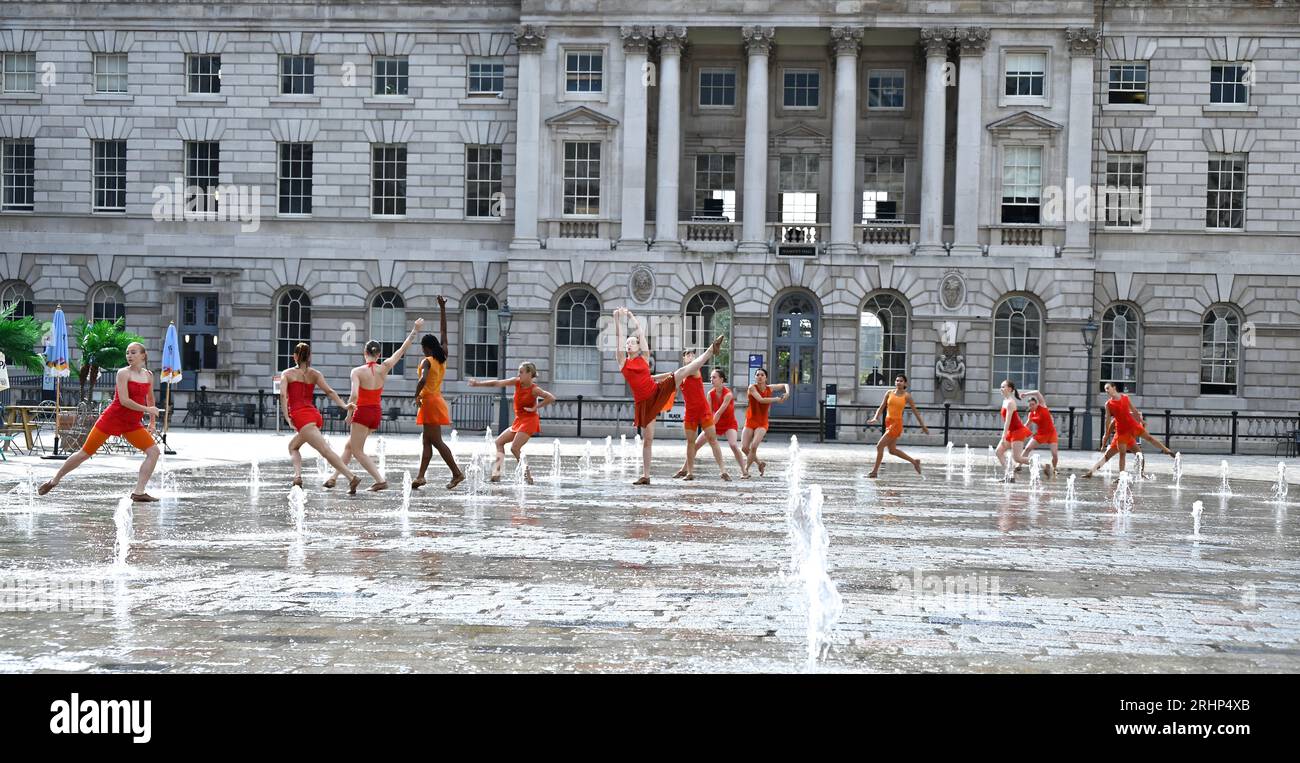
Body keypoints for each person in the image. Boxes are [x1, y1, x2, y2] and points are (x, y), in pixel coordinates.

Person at [38, 342, 164, 502]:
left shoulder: (149, 375)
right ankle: (54, 480)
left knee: (154, 452)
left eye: (133, 352)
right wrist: (148, 410)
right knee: (84, 453)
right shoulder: (123, 373)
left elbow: (150, 398)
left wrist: (152, 422)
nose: (129, 356)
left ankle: (139, 492)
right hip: (112, 418)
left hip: (132, 423)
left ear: (143, 355)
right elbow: (124, 401)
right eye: (127, 353)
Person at [613, 306, 722, 485]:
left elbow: (641, 333)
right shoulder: (622, 362)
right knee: (648, 439)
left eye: (632, 342)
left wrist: (632, 316)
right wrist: (617, 319)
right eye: (628, 343)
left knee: (682, 371)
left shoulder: (645, 357)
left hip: (656, 391)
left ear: (638, 346)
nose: (629, 344)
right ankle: (646, 476)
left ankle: (710, 350)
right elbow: (618, 340)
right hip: (644, 403)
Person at [326, 317, 424, 492]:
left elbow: (355, 394)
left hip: (362, 413)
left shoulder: (357, 371)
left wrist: (349, 414)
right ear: (378, 354)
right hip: (376, 413)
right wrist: (415, 329)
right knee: (350, 446)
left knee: (357, 451)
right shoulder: (384, 367)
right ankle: (333, 478)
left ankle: (379, 480)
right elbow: (402, 349)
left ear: (365, 353)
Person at [280, 342, 362, 492]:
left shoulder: (287, 374)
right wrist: (344, 405)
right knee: (293, 446)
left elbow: (283, 395)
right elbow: (330, 392)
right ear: (310, 356)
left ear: (295, 356)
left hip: (301, 417)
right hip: (314, 416)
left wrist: (287, 416)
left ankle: (352, 477)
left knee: (325, 450)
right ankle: (297, 477)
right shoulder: (315, 374)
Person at [469, 361, 556, 484]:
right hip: (519, 420)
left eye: (521, 372)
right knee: (499, 442)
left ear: (529, 373)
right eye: (518, 372)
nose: (518, 374)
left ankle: (528, 477)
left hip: (530, 421)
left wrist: (535, 407)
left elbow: (551, 398)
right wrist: (477, 384)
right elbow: (497, 383)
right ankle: (497, 474)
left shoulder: (535, 389)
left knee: (515, 448)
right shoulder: (517, 382)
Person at [411, 297, 464, 490]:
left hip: (430, 402)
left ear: (427, 347)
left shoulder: (427, 361)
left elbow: (423, 379)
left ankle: (457, 473)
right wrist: (443, 308)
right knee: (427, 440)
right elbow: (444, 332)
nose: (422, 350)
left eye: (423, 347)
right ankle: (420, 476)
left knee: (436, 441)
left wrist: (415, 395)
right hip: (436, 400)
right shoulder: (443, 356)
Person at [1083, 381, 1175, 478]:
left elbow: (1134, 410)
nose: (1106, 391)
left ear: (1114, 387)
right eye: (1105, 389)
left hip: (1132, 426)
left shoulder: (1125, 397)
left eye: (1108, 388)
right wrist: (1105, 437)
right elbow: (1108, 419)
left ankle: (1166, 450)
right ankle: (1099, 473)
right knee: (1118, 455)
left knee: (1148, 439)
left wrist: (1141, 421)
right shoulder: (1108, 404)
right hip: (1121, 432)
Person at [672, 349, 731, 481]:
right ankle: (689, 472)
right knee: (690, 442)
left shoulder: (694, 369)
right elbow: (671, 379)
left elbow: (675, 375)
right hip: (690, 412)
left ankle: (723, 471)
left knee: (712, 439)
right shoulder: (681, 374)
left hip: (703, 410)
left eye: (693, 354)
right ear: (683, 358)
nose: (691, 356)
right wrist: (652, 378)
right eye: (688, 355)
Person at [865, 373, 928, 478]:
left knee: (879, 446)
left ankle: (874, 472)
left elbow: (916, 412)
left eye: (901, 381)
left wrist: (923, 426)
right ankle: (914, 462)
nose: (898, 382)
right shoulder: (889, 393)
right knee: (892, 450)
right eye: (897, 380)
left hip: (896, 424)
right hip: (888, 422)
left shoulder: (907, 396)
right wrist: (875, 417)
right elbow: (881, 407)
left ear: (905, 383)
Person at [739, 367, 789, 479]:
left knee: (754, 446)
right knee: (744, 448)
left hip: (762, 422)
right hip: (750, 420)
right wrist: (777, 399)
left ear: (766, 377)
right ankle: (760, 464)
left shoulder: (769, 388)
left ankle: (745, 470)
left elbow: (785, 385)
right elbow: (761, 400)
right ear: (755, 377)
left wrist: (787, 394)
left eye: (762, 375)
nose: (760, 377)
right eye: (757, 375)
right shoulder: (752, 388)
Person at [697, 367, 747, 475]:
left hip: (729, 423)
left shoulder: (728, 394)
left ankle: (744, 471)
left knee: (733, 445)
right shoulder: (710, 393)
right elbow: (710, 413)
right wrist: (707, 426)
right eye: (710, 378)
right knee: (696, 444)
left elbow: (719, 412)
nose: (711, 380)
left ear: (721, 379)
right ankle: (685, 470)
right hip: (715, 422)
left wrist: (709, 426)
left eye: (714, 377)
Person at [995, 379, 1033, 480]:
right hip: (1011, 431)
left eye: (1003, 387)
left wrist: (1003, 435)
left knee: (1017, 458)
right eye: (1001, 387)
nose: (1001, 389)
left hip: (1018, 431)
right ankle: (1010, 475)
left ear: (1010, 389)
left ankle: (1041, 465)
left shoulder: (1010, 403)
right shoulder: (1005, 401)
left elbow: (1007, 421)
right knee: (998, 452)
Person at [1020, 389, 1059, 475]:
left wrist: (1025, 394)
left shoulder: (1042, 406)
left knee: (1054, 454)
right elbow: (1026, 425)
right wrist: (1019, 431)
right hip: (1040, 434)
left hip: (1051, 433)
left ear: (1037, 403)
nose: (1032, 406)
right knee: (1027, 448)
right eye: (1030, 405)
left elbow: (1037, 392)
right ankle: (1019, 465)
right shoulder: (1031, 414)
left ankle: (1055, 469)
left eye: (1033, 404)